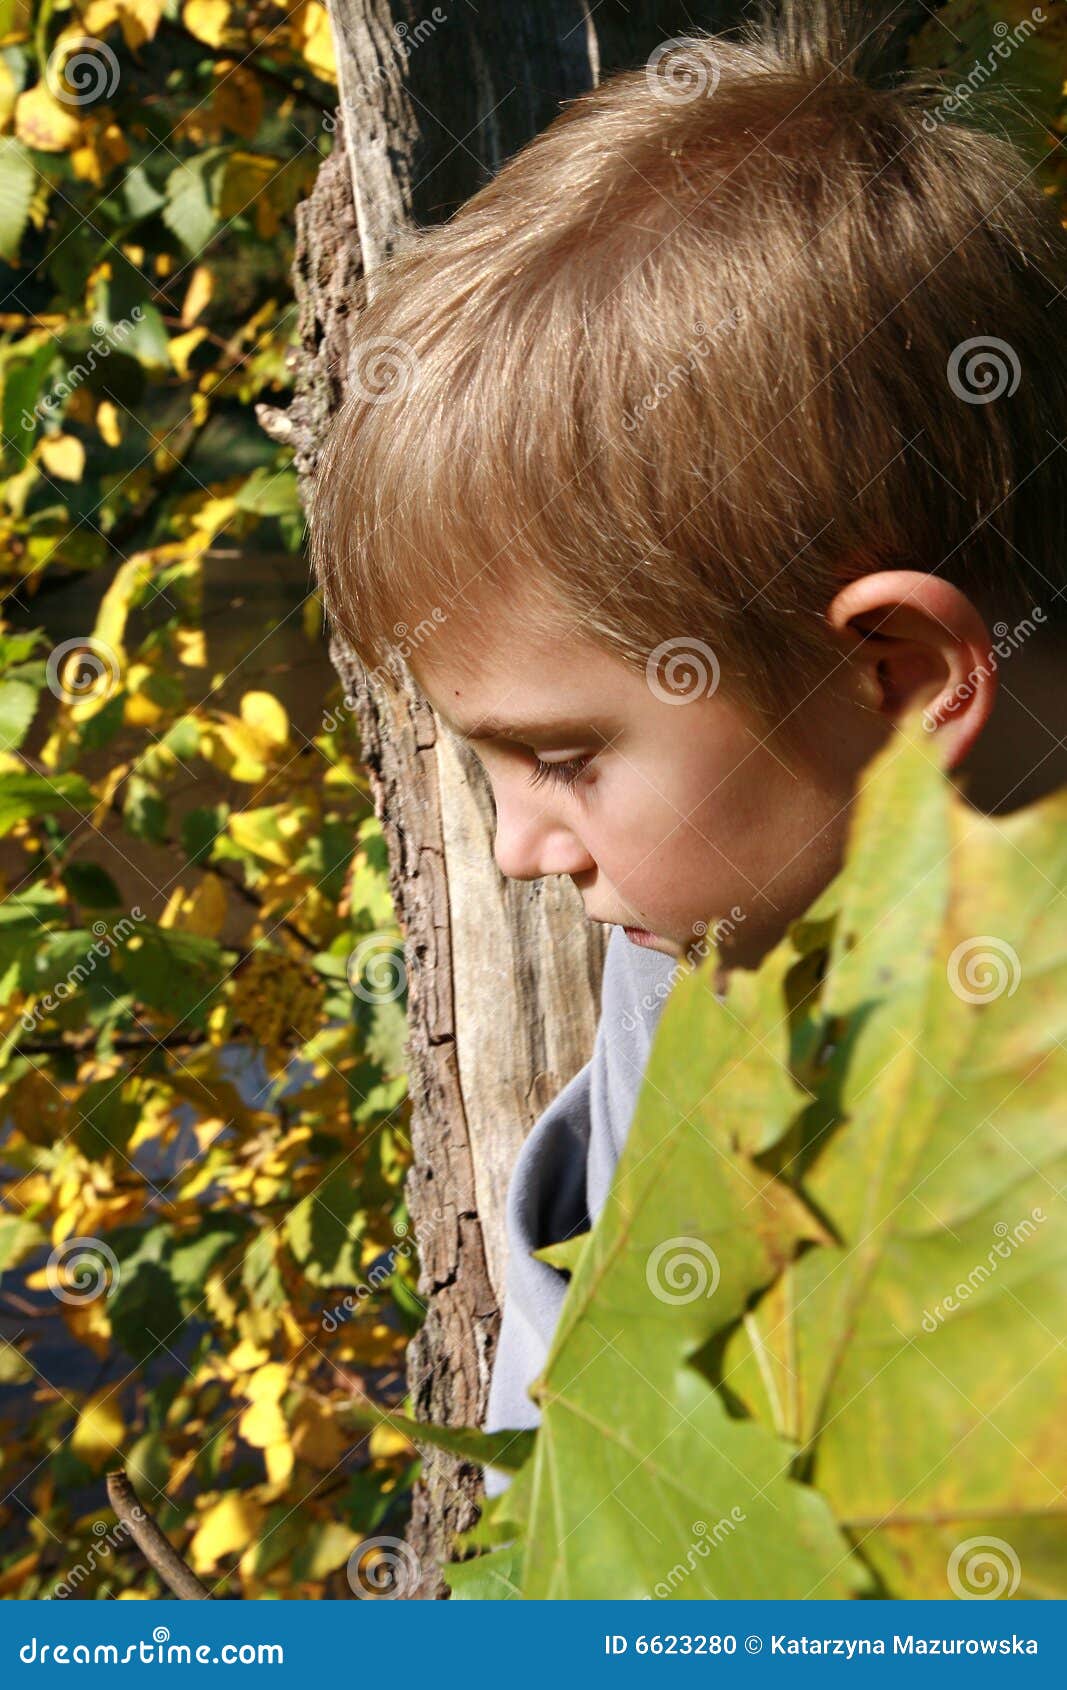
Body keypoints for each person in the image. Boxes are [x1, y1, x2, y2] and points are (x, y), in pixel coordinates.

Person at [308, 0, 1067, 1494]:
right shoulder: (709, 942)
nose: (522, 849)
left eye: (567, 756)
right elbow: (577, 1418)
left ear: (902, 679)